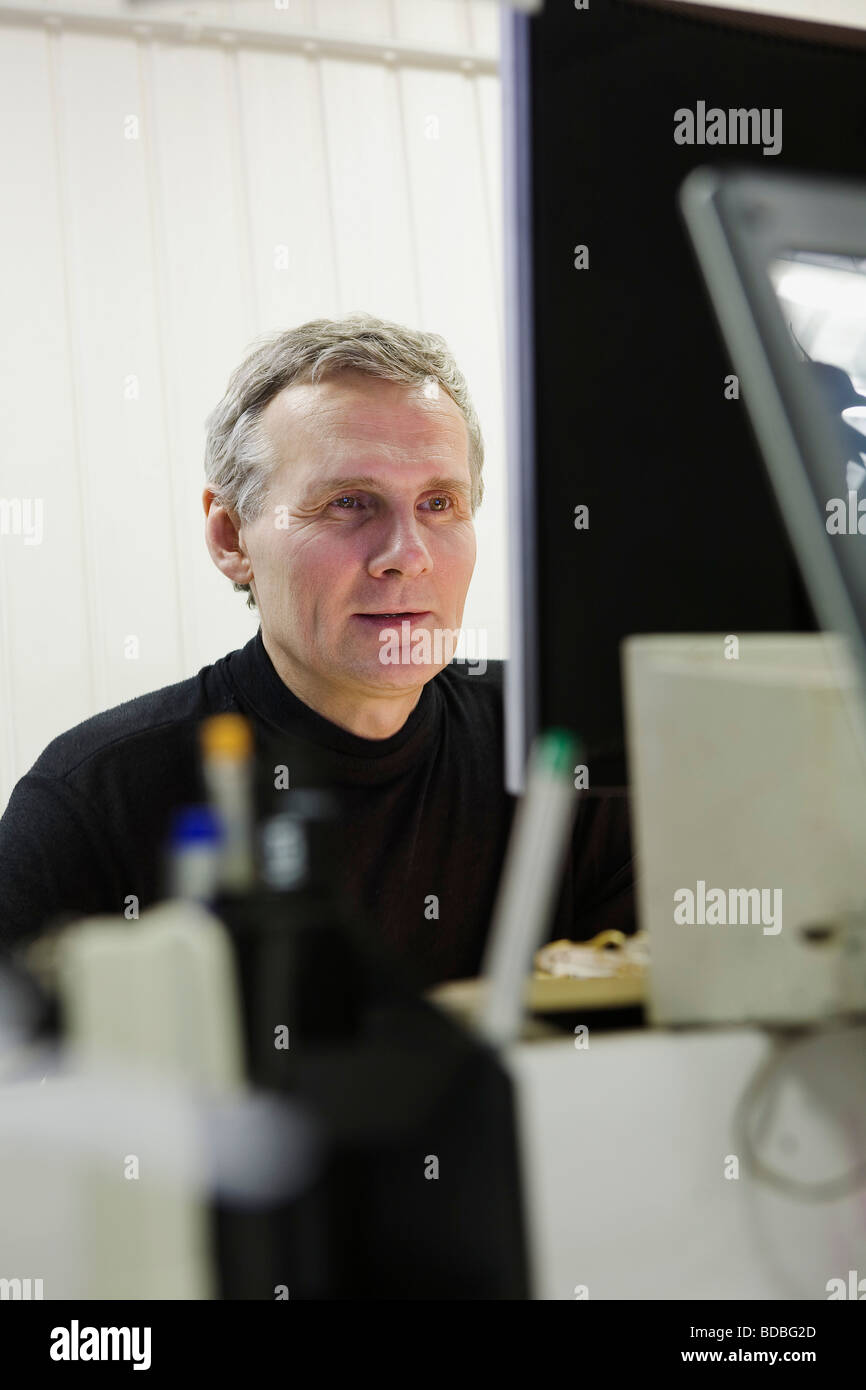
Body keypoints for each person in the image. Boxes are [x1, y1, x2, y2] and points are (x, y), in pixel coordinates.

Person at [0, 314, 634, 990]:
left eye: (439, 503)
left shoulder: (562, 746)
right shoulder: (95, 801)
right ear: (231, 538)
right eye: (349, 503)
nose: (407, 557)